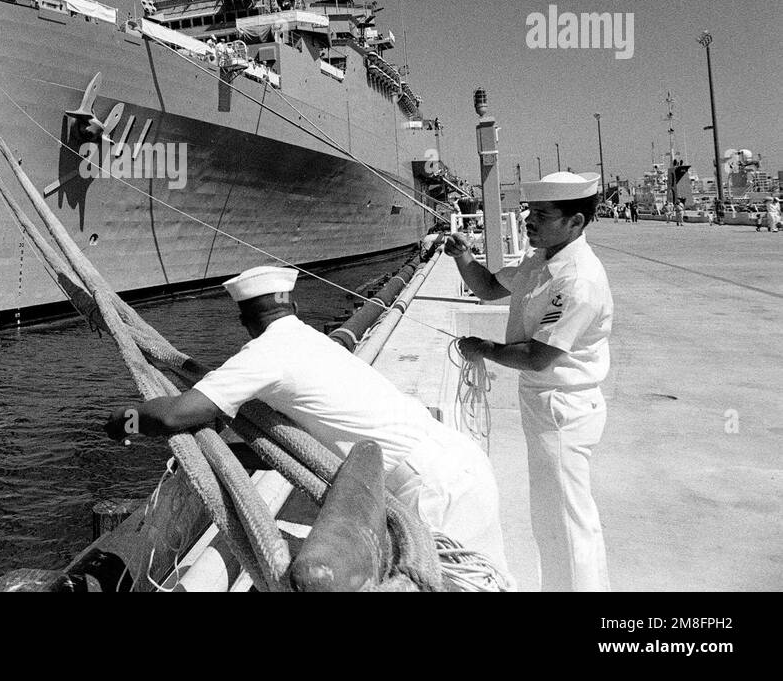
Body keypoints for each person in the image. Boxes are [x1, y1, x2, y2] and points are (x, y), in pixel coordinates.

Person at [104, 265, 511, 581]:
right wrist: (232, 453)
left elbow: (177, 413)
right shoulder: (312, 341)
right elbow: (293, 443)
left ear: (244, 318)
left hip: (429, 487)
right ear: (293, 307)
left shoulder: (264, 354)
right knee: (484, 579)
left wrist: (125, 422)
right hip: (457, 462)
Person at [446, 171, 612, 592]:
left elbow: (540, 355)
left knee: (567, 523)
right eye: (529, 213)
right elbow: (487, 288)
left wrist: (481, 348)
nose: (528, 222)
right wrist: (462, 255)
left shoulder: (578, 279)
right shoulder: (541, 261)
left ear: (575, 222)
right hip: (544, 404)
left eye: (541, 214)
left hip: (563, 408)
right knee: (552, 518)